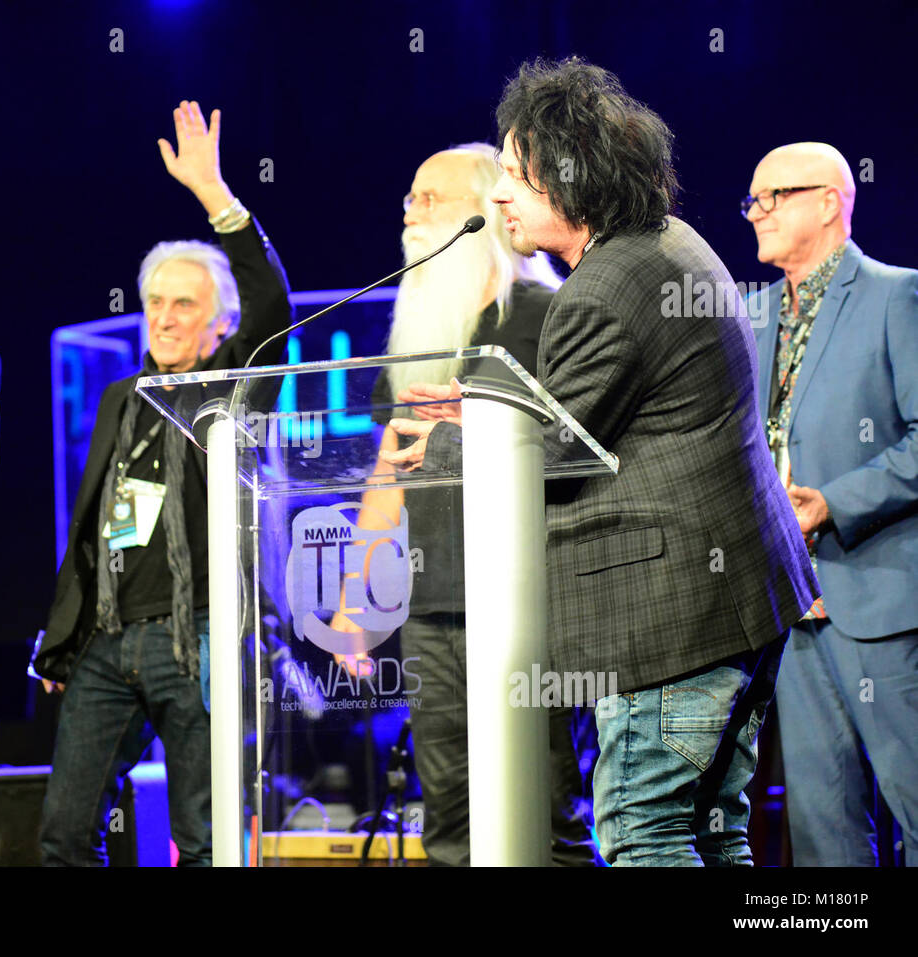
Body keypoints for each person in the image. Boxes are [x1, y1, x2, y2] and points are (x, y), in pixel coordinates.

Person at [383, 57, 818, 865]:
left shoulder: (606, 286)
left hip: (673, 620)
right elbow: (585, 420)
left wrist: (447, 441)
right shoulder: (658, 246)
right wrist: (483, 414)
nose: (501, 192)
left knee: (642, 832)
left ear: (569, 173)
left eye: (514, 172)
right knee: (712, 831)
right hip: (732, 604)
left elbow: (549, 452)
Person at [31, 101, 292, 866]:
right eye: (154, 302)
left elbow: (273, 306)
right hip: (109, 642)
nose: (164, 318)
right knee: (62, 833)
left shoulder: (231, 384)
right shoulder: (122, 396)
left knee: (205, 841)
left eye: (185, 304)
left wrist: (217, 197)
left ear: (219, 324)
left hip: (201, 635)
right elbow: (94, 523)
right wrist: (63, 638)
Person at [335, 143, 599, 865]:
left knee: (546, 814)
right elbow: (390, 472)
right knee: (450, 819)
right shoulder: (420, 334)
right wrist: (354, 604)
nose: (410, 214)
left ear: (487, 213)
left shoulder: (552, 314)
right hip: (431, 612)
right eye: (409, 201)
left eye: (430, 199)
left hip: (528, 607)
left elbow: (585, 451)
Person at [743, 142, 918, 866]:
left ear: (828, 201)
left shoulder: (895, 294)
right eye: (751, 200)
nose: (755, 212)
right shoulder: (749, 314)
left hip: (877, 599)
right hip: (790, 607)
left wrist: (832, 502)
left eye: (772, 196)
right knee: (820, 830)